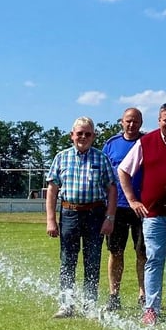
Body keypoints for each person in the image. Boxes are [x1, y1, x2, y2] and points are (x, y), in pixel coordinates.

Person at [118, 103, 166, 325]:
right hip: (152, 215)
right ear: (159, 121)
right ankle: (151, 309)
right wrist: (133, 200)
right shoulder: (146, 142)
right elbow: (123, 170)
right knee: (153, 260)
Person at [45, 117, 117, 318]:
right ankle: (66, 304)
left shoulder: (101, 158)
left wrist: (109, 217)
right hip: (69, 213)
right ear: (72, 135)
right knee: (68, 260)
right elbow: (52, 190)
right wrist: (51, 219)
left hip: (95, 213)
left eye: (87, 134)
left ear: (93, 136)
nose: (83, 137)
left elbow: (112, 189)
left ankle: (90, 304)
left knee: (92, 260)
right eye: (79, 133)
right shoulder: (61, 157)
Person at [101, 107, 147, 311]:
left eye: (136, 121)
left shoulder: (147, 142)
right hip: (117, 206)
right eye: (128, 121)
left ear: (141, 123)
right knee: (115, 252)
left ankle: (143, 295)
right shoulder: (111, 144)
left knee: (143, 254)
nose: (132, 124)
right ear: (122, 122)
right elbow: (103, 174)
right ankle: (114, 295)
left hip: (142, 207)